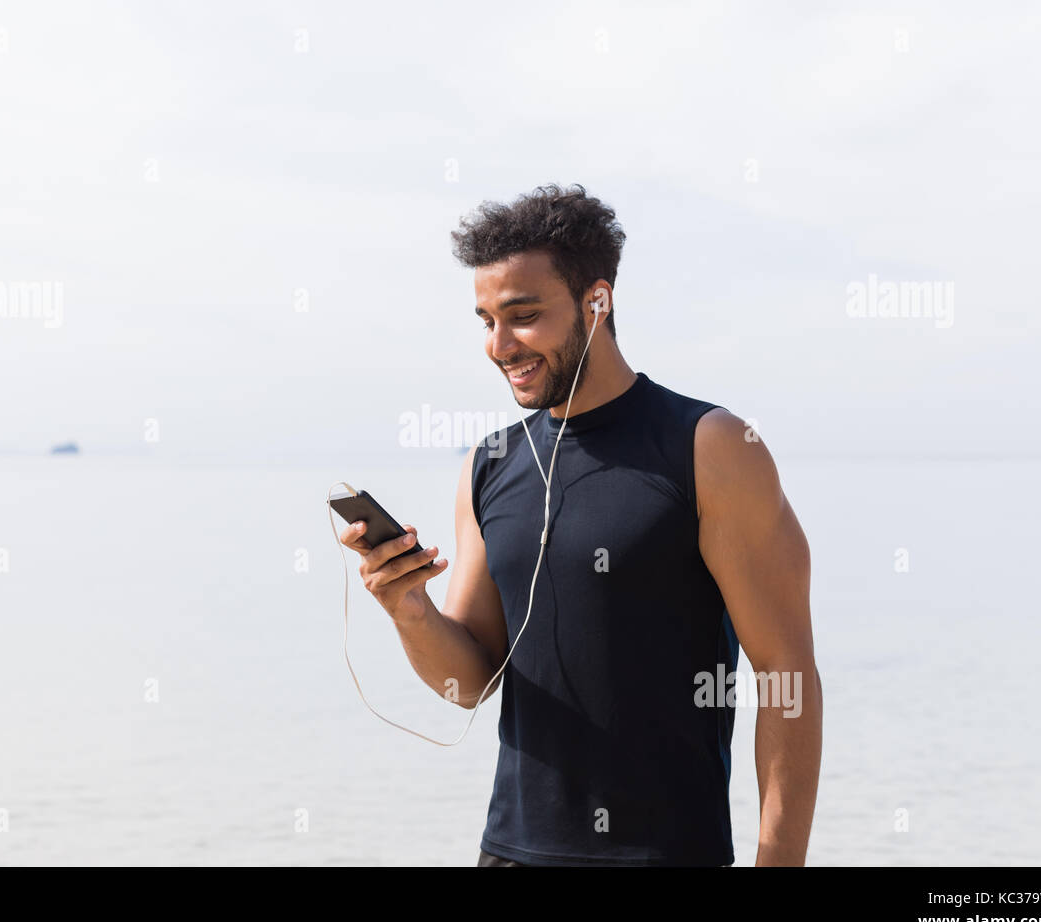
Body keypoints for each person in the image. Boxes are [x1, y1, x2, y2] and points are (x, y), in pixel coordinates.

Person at [339, 184, 822, 867]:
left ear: (597, 301)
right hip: (507, 854)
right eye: (484, 321)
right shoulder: (490, 462)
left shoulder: (709, 447)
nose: (498, 346)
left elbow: (786, 674)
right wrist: (408, 607)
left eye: (523, 316)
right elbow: (469, 682)